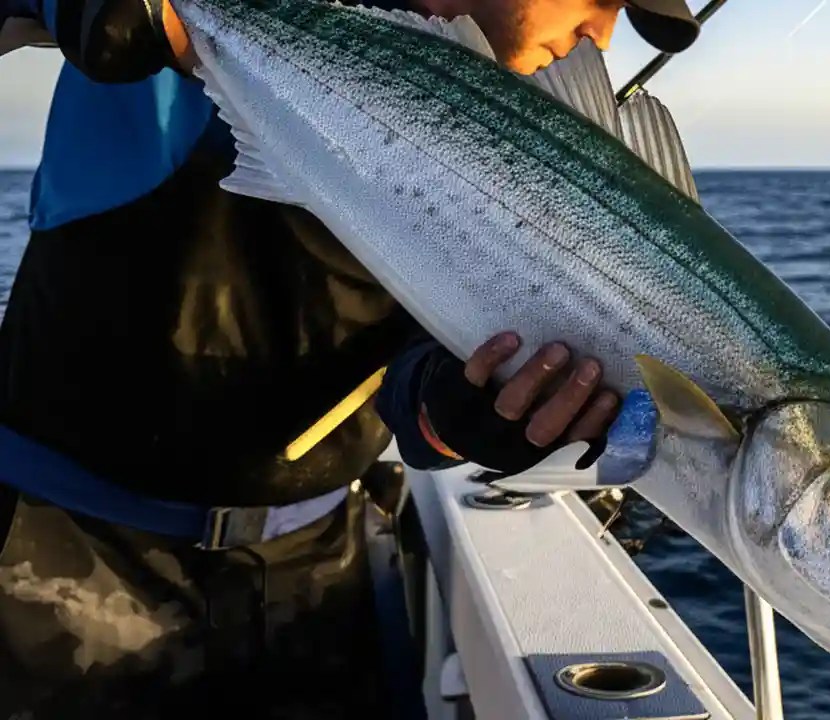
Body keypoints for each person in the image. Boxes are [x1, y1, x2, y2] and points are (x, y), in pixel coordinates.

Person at [0, 0, 698, 717]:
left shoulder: (505, 169)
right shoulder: (229, 21)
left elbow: (409, 390)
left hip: (320, 569)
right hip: (65, 558)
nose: (604, 34)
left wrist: (459, 413)